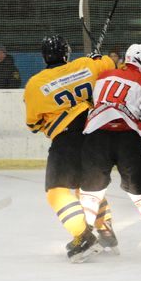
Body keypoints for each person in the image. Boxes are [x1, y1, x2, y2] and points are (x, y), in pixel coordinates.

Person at [23, 35, 115, 262]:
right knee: (89, 188)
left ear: (44, 56)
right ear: (67, 53)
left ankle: (82, 236)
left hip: (67, 138)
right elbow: (110, 64)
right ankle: (106, 230)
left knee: (57, 191)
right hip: (97, 133)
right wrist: (96, 58)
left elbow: (33, 123)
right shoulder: (85, 65)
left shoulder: (35, 83)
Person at [78, 43, 141, 259]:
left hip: (96, 136)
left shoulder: (102, 75)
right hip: (127, 139)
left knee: (92, 191)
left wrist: (92, 60)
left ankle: (85, 237)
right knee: (140, 190)